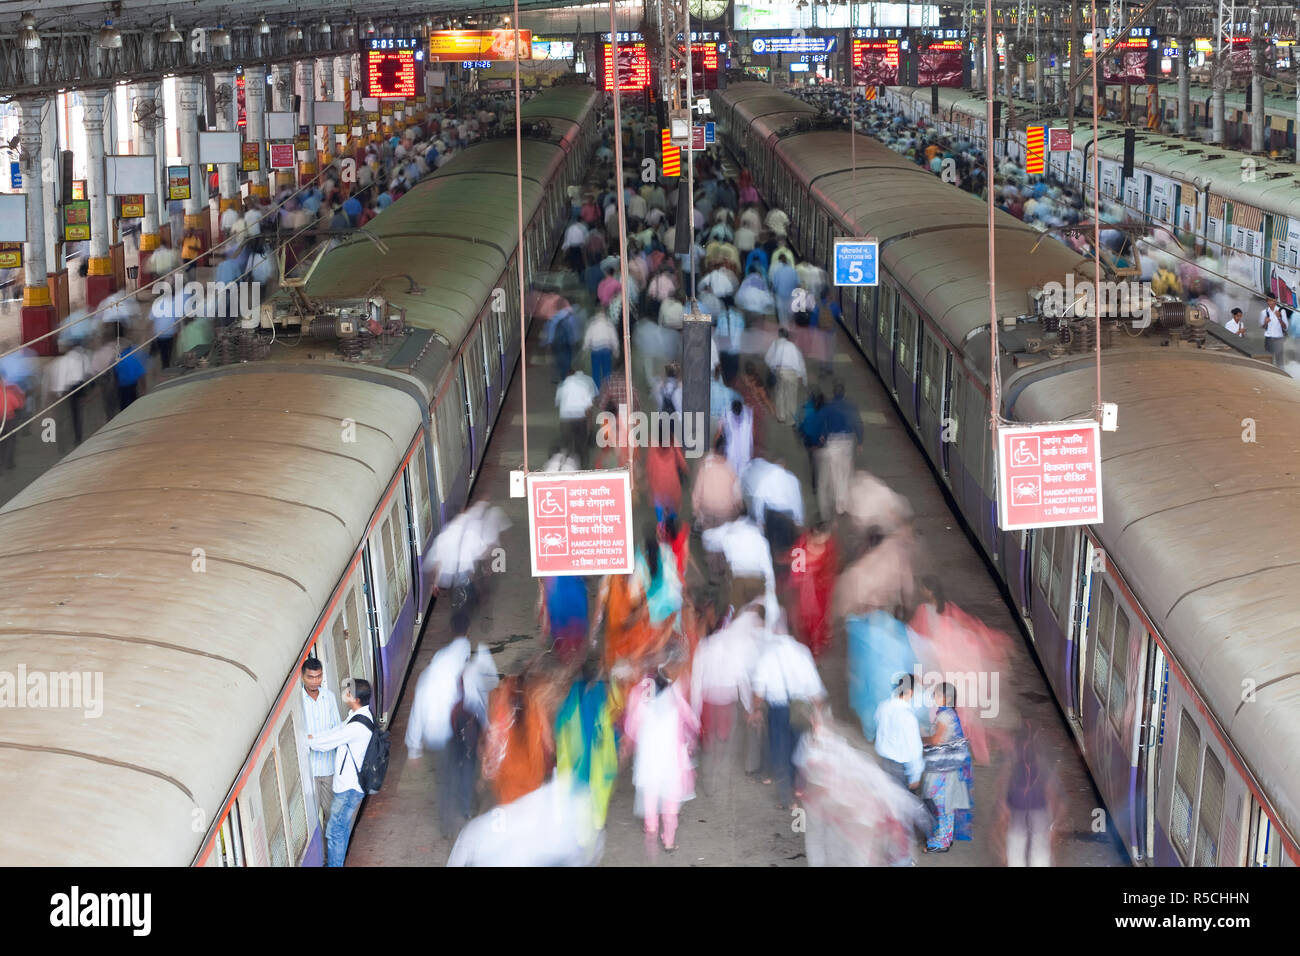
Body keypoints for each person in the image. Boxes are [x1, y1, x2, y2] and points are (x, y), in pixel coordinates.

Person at [622, 668, 700, 852]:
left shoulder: (642, 704)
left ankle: (651, 829)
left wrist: (629, 745)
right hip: (671, 763)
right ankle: (669, 841)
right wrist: (691, 740)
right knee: (670, 803)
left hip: (649, 764)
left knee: (650, 798)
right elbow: (691, 721)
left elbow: (630, 729)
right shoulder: (675, 700)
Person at [306, 677, 375, 867]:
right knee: (341, 829)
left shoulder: (357, 726)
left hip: (349, 788)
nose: (345, 693)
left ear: (355, 698)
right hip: (351, 787)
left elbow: (332, 740)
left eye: (348, 692)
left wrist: (307, 741)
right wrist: (314, 736)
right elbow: (337, 730)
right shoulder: (359, 716)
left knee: (335, 832)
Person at [554, 659, 619, 831]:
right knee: (598, 788)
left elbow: (561, 721)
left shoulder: (573, 692)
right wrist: (616, 743)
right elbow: (611, 719)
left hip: (576, 752)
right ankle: (598, 822)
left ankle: (579, 823)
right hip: (597, 750)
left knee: (578, 787)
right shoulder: (601, 692)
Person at [921, 683, 974, 852]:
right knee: (945, 802)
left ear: (947, 698)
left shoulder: (944, 716)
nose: (934, 697)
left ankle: (942, 842)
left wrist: (922, 739)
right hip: (949, 767)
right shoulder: (949, 713)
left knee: (940, 802)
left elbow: (936, 740)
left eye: (937, 694)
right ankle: (945, 836)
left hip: (943, 769)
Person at [299, 658, 342, 832]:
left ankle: (330, 857)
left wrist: (312, 738)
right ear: (303, 677)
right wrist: (321, 738)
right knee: (310, 822)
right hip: (308, 772)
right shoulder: (298, 702)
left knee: (331, 817)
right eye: (310, 677)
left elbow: (337, 731)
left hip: (328, 769)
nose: (315, 681)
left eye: (318, 677)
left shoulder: (329, 697)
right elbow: (299, 737)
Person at [815, 381, 863, 519]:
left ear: (833, 393)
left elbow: (819, 422)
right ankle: (843, 502)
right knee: (845, 471)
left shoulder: (828, 407)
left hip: (833, 442)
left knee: (835, 472)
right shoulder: (851, 406)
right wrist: (860, 441)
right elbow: (858, 424)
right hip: (847, 441)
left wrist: (821, 435)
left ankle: (839, 504)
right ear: (844, 393)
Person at [791, 523, 837, 658]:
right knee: (810, 618)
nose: (826, 539)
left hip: (823, 588)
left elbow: (831, 564)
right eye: (824, 537)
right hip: (808, 589)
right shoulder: (801, 548)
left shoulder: (829, 544)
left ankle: (822, 637)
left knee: (823, 614)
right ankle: (813, 646)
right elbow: (796, 573)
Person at [874, 674, 924, 795]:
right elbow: (914, 749)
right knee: (905, 806)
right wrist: (915, 776)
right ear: (911, 692)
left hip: (885, 762)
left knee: (890, 802)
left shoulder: (883, 706)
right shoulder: (908, 717)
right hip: (900, 769)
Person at [555, 368, 597, 467]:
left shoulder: (562, 385)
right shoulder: (583, 386)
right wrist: (589, 427)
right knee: (581, 445)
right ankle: (583, 466)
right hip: (580, 419)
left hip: (566, 419)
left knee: (566, 444)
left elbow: (557, 403)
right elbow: (589, 407)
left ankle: (566, 465)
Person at [764, 327, 806, 423]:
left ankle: (781, 417)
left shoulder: (775, 344)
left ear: (779, 335)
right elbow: (798, 361)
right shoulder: (792, 346)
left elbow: (769, 359)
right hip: (791, 373)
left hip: (780, 371)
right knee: (791, 396)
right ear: (788, 337)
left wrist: (773, 369)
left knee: (780, 394)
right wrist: (800, 375)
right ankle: (790, 420)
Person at [582, 311, 620, 390]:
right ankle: (607, 390)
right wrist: (616, 349)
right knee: (607, 371)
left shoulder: (592, 324)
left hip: (595, 351)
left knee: (596, 371)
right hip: (607, 351)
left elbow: (587, 337)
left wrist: (585, 348)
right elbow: (614, 338)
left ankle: (597, 390)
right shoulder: (609, 324)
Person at [1261, 295, 1287, 364]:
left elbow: (1285, 327)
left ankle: (1280, 373)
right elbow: (1263, 326)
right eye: (1268, 300)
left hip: (1279, 338)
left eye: (1272, 300)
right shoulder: (1264, 312)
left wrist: (1279, 318)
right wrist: (1265, 322)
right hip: (1268, 339)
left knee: (1280, 361)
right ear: (1267, 301)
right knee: (1268, 360)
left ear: (1275, 300)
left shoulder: (1281, 311)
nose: (1270, 302)